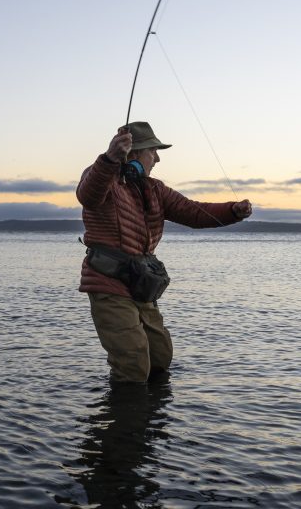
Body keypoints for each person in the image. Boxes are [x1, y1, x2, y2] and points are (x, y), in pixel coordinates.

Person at [77, 121, 253, 383]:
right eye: (153, 151)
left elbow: (193, 211)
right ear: (135, 153)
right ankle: (125, 419)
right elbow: (88, 195)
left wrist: (232, 211)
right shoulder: (102, 177)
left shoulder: (155, 188)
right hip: (108, 284)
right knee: (132, 364)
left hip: (140, 284)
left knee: (160, 356)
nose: (157, 158)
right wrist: (109, 159)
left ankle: (154, 419)